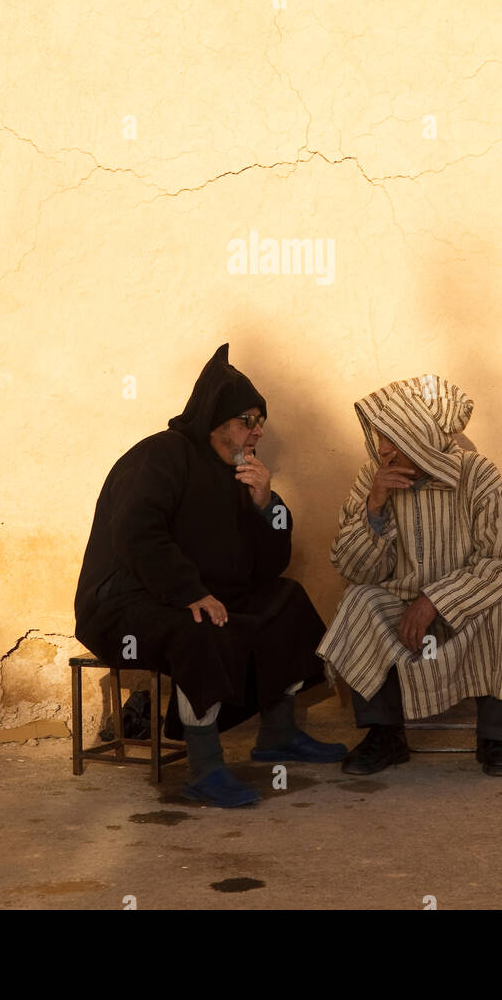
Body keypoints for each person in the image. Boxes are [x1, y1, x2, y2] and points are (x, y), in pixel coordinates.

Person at [74, 343, 346, 808]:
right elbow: (137, 535)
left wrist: (267, 507)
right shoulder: (159, 456)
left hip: (194, 595)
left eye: (261, 422)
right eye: (248, 421)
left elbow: (267, 566)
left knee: (286, 600)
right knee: (198, 625)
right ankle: (204, 767)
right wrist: (190, 592)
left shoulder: (237, 475)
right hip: (123, 602)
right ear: (215, 420)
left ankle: (278, 733)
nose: (257, 432)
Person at [317, 373, 502, 777]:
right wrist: (375, 506)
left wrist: (435, 599)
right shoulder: (373, 478)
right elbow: (353, 568)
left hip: (466, 606)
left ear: (418, 433)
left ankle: (496, 738)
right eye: (378, 437)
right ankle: (384, 736)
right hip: (400, 608)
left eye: (391, 436)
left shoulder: (478, 476)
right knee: (359, 600)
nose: (382, 449)